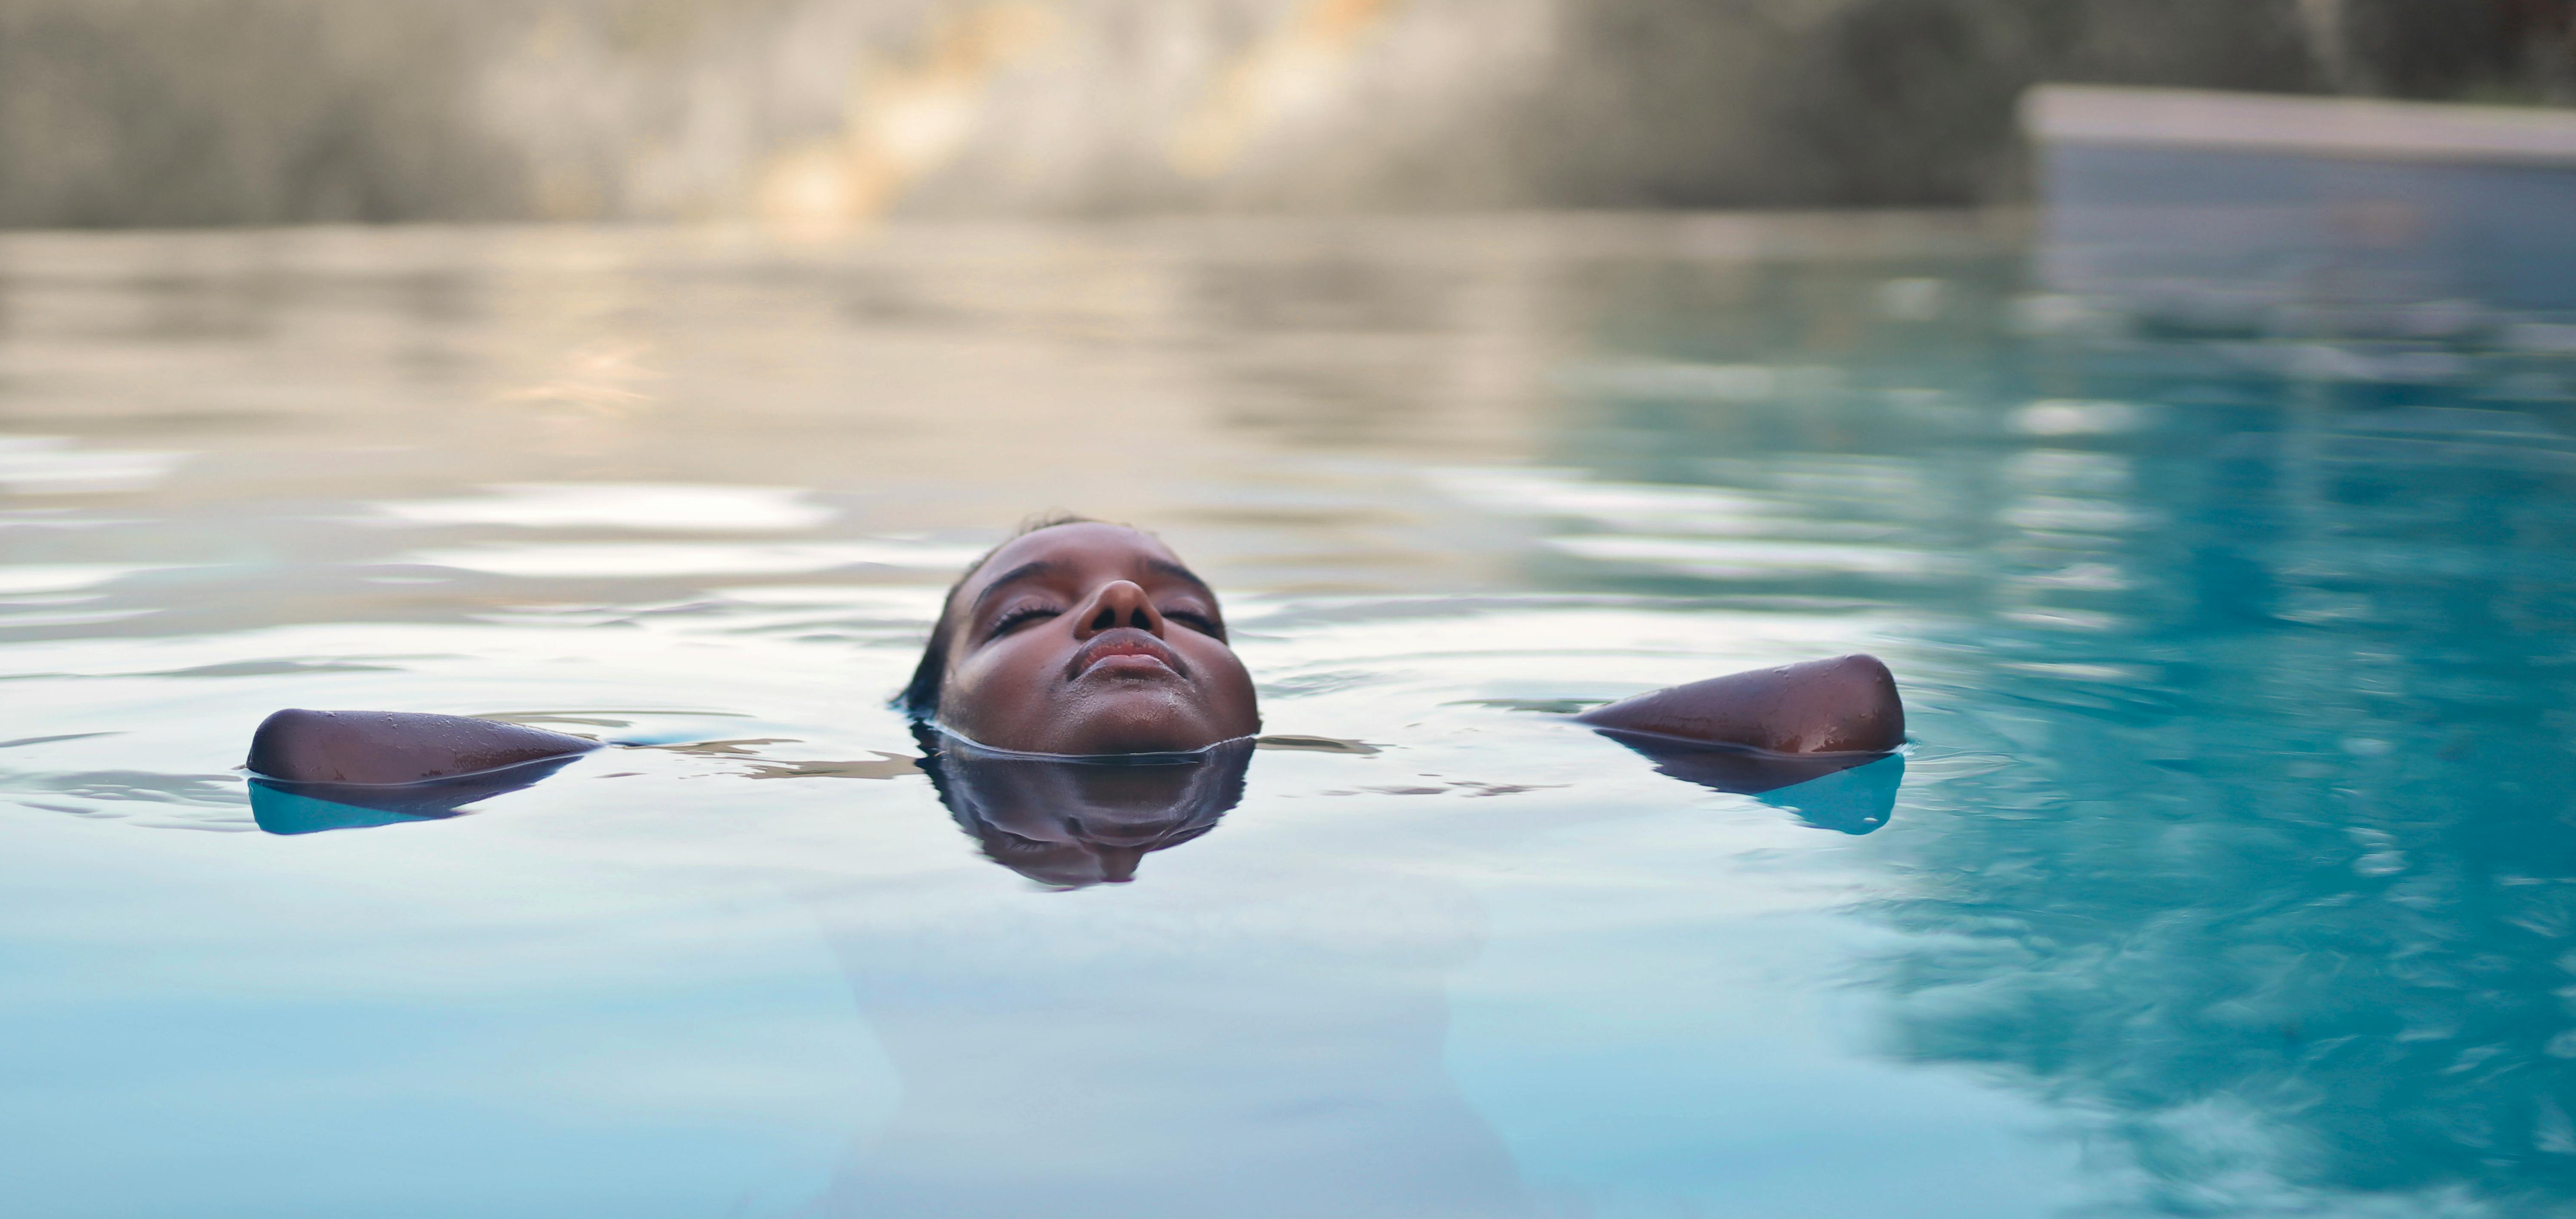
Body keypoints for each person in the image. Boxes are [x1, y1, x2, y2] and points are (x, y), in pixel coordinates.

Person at [243, 515, 1906, 826]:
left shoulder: (1398, 767)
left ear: (1252, 694)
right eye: (1031, 610)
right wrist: (620, 752)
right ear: (935, 711)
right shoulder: (794, 791)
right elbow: (313, 749)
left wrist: (1538, 727)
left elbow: (1835, 710)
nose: (1123, 605)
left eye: (1181, 607)